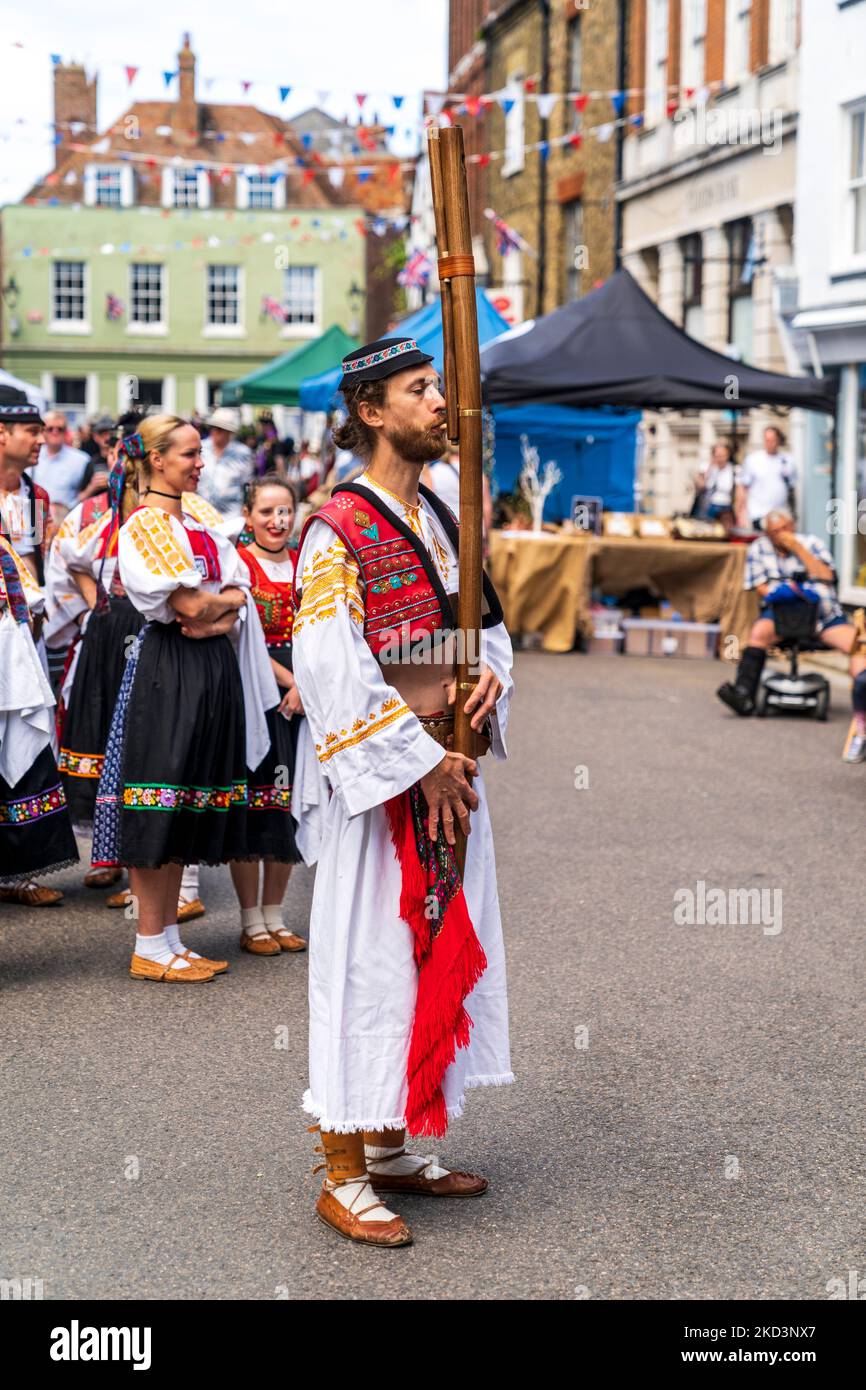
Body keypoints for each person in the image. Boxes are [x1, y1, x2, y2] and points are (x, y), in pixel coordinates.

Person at [292, 337, 514, 1248]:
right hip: (383, 784)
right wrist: (414, 763)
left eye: (440, 386)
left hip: (446, 771)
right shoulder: (334, 528)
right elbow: (330, 664)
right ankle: (342, 1171)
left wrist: (487, 683)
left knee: (426, 956)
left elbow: (484, 628)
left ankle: (389, 1147)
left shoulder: (441, 513)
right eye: (421, 390)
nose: (440, 402)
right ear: (371, 411)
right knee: (366, 963)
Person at [90, 416, 279, 981]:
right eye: (190, 454)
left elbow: (239, 591)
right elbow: (190, 608)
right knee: (161, 797)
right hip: (169, 669)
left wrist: (216, 612)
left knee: (190, 797)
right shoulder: (143, 526)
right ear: (156, 460)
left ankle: (170, 937)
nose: (201, 463)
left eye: (199, 453)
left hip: (209, 664)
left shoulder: (199, 515)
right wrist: (213, 606)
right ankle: (149, 945)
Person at [717, 508, 866, 757]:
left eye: (786, 528)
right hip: (783, 615)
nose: (782, 534)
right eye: (776, 531)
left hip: (823, 615)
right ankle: (743, 694)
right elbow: (760, 587)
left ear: (793, 526)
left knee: (857, 645)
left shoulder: (812, 543)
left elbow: (827, 575)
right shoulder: (759, 549)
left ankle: (862, 704)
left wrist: (798, 549)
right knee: (758, 633)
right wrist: (788, 595)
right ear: (767, 533)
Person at [232, 475, 307, 955]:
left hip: (305, 693)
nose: (278, 521)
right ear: (248, 517)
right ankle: (249, 920)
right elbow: (244, 638)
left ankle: (276, 914)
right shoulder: (239, 565)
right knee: (254, 803)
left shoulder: (305, 564)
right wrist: (291, 682)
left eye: (285, 512)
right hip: (259, 689)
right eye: (267, 512)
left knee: (291, 807)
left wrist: (309, 685)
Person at [0, 521, 79, 906]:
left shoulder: (33, 496)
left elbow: (31, 571)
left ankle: (17, 873)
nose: (35, 453)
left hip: (12, 657)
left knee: (19, 770)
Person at [0, 386, 50, 585]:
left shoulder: (37, 496)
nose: (42, 440)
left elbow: (31, 558)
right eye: (32, 432)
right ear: (2, 432)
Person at [197, 407, 254, 525]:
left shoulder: (243, 453)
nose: (215, 432)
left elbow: (247, 485)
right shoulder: (200, 448)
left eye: (220, 429)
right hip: (200, 515)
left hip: (230, 517)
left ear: (229, 432)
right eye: (214, 427)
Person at [28, 410, 91, 518]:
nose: (55, 432)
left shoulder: (82, 460)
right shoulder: (31, 455)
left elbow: (87, 495)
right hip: (35, 518)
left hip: (68, 519)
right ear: (43, 431)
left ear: (66, 431)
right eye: (50, 429)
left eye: (60, 429)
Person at [734, 426, 796, 529]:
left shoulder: (788, 460)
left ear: (778, 441)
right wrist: (740, 512)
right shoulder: (753, 460)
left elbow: (791, 490)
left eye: (773, 440)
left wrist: (793, 515)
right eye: (767, 440)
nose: (770, 443)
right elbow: (742, 487)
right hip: (757, 514)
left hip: (780, 515)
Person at [691, 442, 735, 523]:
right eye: (717, 456)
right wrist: (710, 469)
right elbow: (701, 486)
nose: (720, 458)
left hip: (726, 508)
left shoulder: (733, 470)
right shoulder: (705, 467)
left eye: (722, 455)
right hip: (708, 507)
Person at [79, 415, 117, 502]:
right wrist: (92, 487)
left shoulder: (124, 460)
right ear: (95, 437)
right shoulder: (91, 463)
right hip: (97, 511)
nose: (107, 437)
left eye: (110, 433)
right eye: (102, 433)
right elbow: (80, 498)